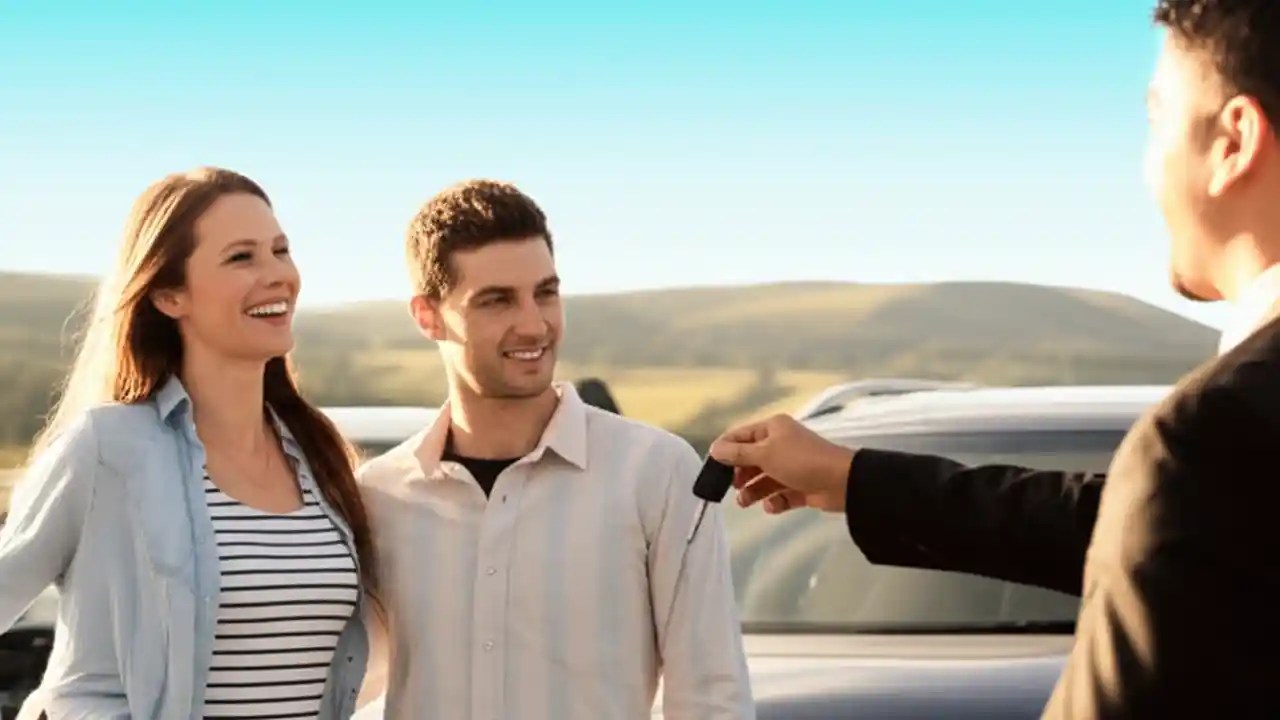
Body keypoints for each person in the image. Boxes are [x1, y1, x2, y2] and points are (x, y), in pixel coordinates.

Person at [710, 1, 1280, 716]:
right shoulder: (1228, 453)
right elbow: (1125, 525)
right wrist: (852, 478)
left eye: (1155, 119)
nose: (1146, 165)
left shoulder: (1216, 431)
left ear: (1234, 141)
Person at [356, 179, 753, 719]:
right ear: (427, 316)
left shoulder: (656, 473)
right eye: (497, 301)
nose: (534, 323)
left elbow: (712, 696)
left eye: (545, 292)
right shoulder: (378, 497)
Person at [0, 167, 378, 719]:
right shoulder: (108, 448)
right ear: (170, 295)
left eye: (281, 250)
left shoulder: (319, 460)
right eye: (241, 257)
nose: (278, 275)